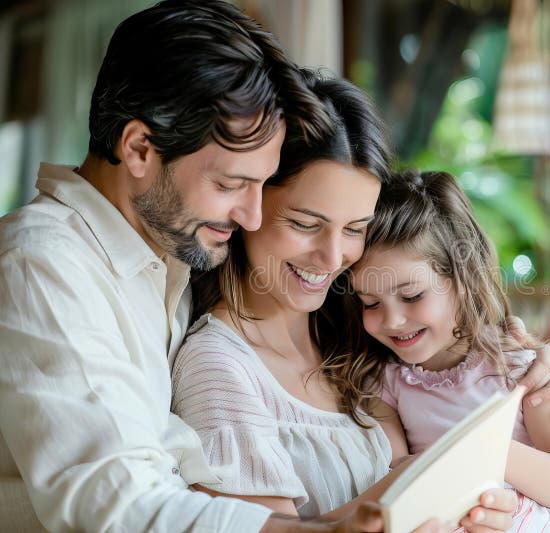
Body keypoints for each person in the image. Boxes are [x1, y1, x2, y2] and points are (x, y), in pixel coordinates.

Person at [0, 2, 398, 531]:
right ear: (140, 148)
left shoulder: (167, 260)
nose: (252, 215)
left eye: (262, 184)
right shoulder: (43, 263)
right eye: (231, 184)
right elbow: (115, 498)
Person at [172, 73, 550, 532]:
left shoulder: (356, 325)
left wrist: (537, 364)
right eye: (306, 223)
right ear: (250, 202)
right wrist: (415, 480)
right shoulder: (219, 369)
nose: (333, 258)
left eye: (354, 228)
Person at [343, 170, 550, 532]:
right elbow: (398, 475)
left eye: (412, 296)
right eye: (370, 303)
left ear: (462, 280)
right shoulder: (387, 381)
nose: (392, 320)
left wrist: (487, 452)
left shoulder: (521, 372)